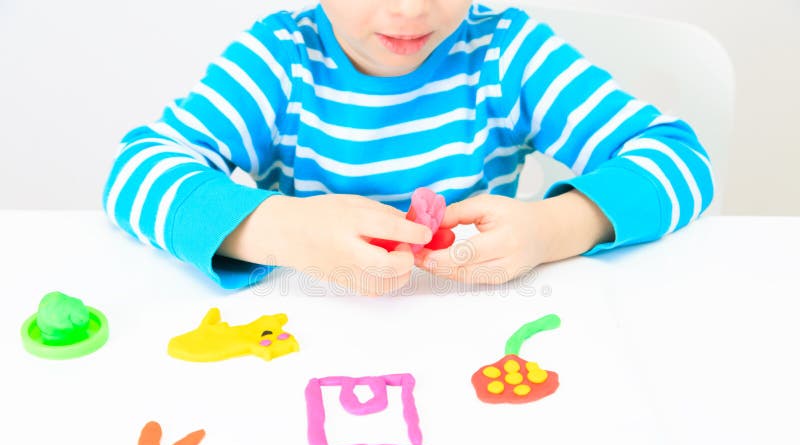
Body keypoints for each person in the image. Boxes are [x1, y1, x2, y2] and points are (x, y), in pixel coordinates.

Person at [102, 0, 714, 296]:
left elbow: (680, 159)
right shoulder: (280, 60)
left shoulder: (508, 53)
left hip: (480, 334)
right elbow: (136, 170)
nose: (410, 9)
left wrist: (556, 226)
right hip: (307, 343)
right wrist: (274, 229)